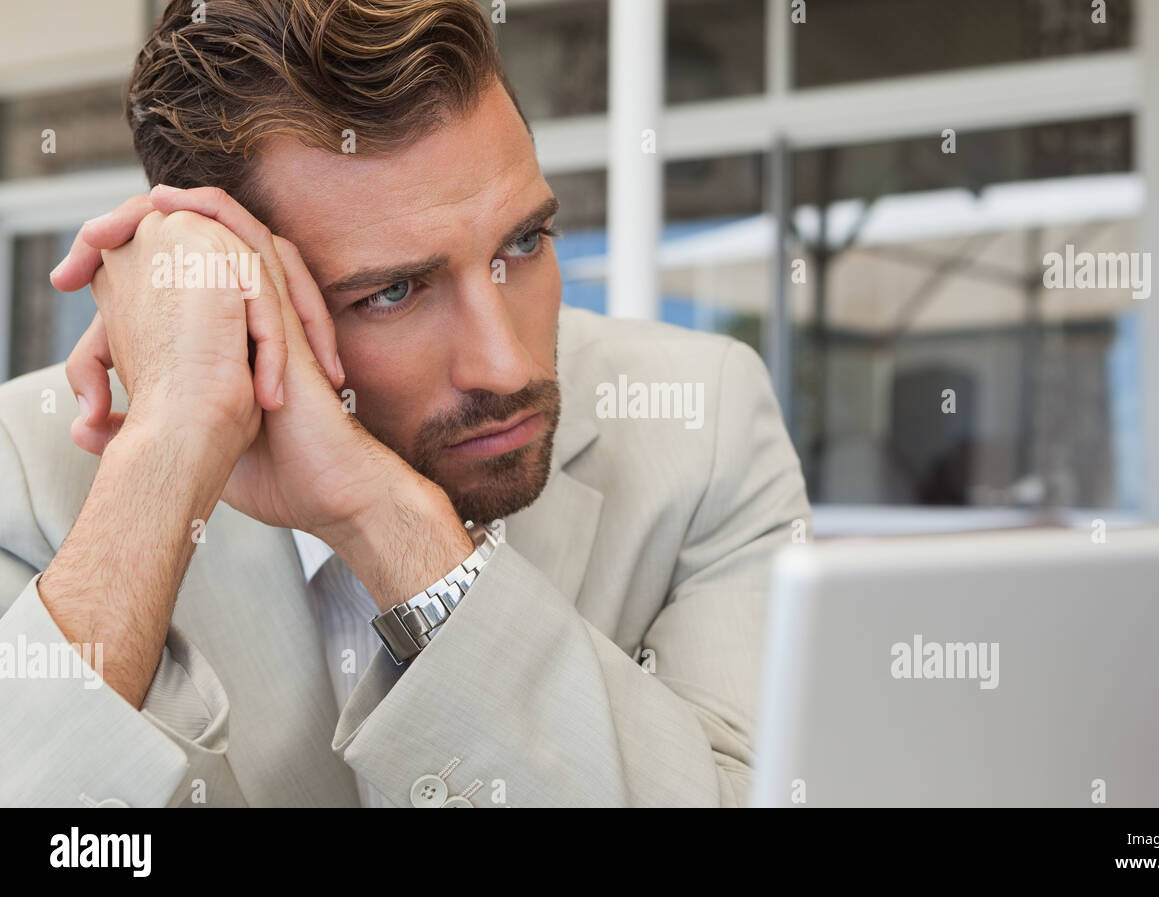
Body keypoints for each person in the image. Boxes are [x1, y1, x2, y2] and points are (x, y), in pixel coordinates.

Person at [0, 0, 809, 807]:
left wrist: (386, 522)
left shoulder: (704, 426)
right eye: (392, 291)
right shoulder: (29, 473)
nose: (504, 364)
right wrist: (168, 446)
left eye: (521, 244)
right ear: (249, 291)